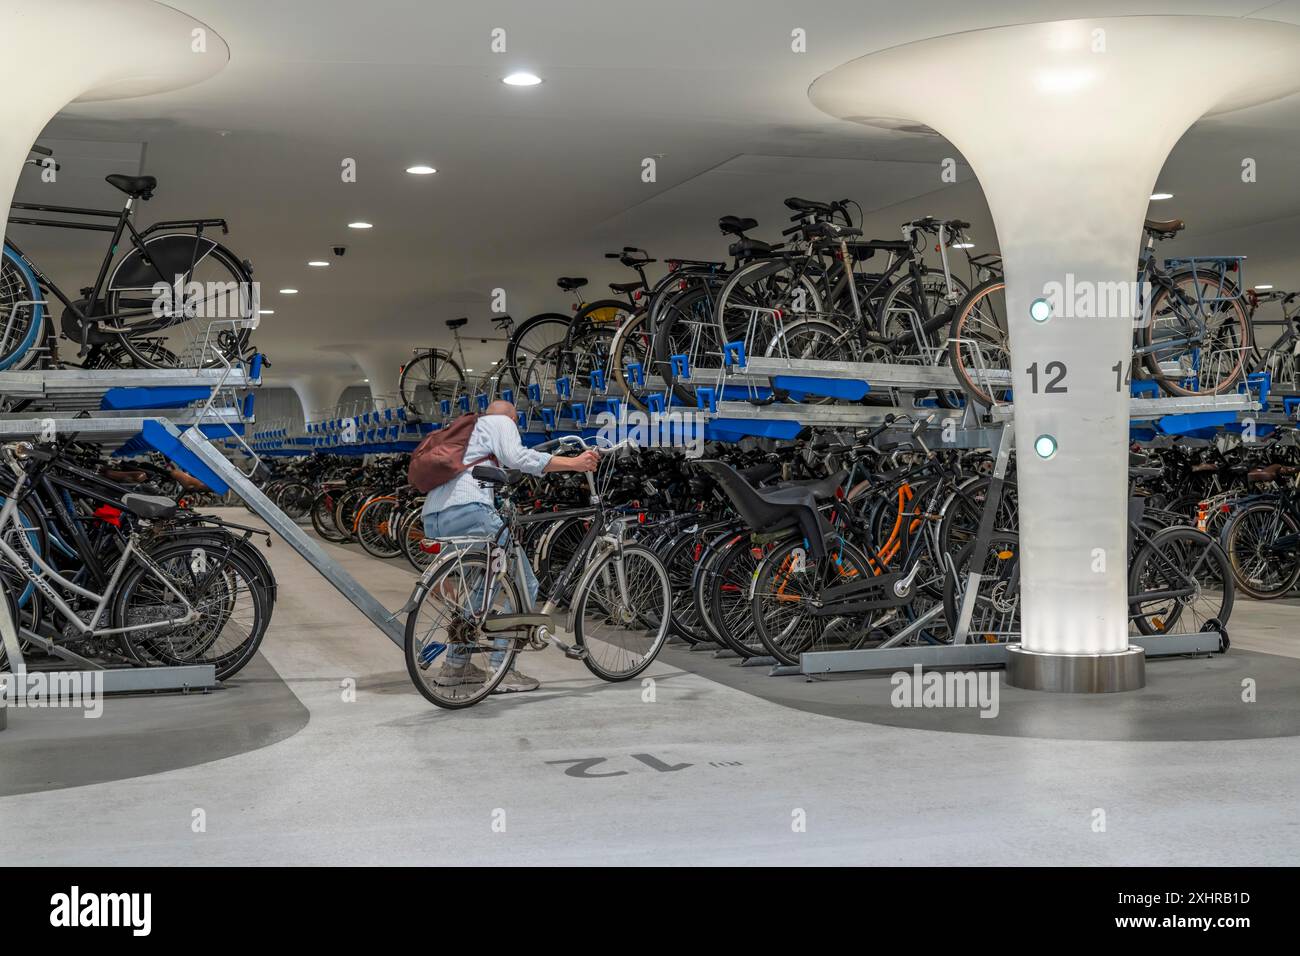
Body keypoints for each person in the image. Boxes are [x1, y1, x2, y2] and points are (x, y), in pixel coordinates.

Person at [422, 400, 598, 693]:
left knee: (483, 587)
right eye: (516, 422)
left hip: (436, 516)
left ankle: (456, 666)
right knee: (523, 584)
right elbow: (517, 457)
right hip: (470, 510)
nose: (515, 427)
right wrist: (574, 463)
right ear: (511, 418)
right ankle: (502, 670)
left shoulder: (464, 431)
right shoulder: (498, 422)